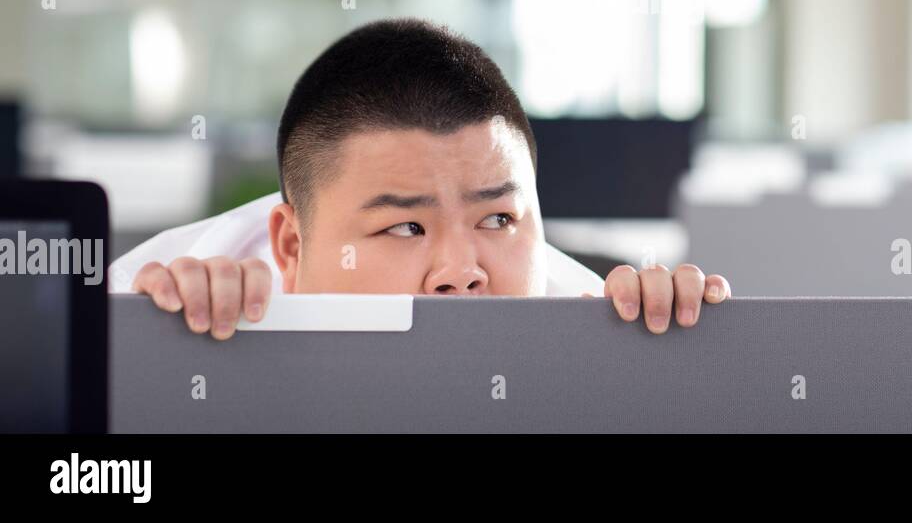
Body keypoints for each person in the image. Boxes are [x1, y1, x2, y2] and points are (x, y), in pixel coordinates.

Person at [109, 18, 730, 339]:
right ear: (292, 247)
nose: (461, 272)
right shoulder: (153, 303)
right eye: (406, 225)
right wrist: (146, 364)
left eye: (499, 219)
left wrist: (679, 371)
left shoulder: (596, 324)